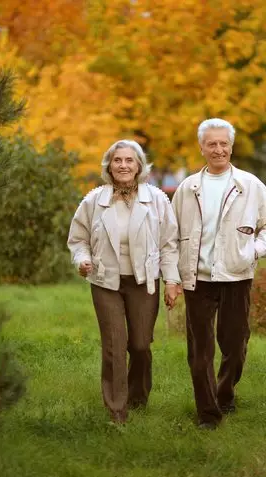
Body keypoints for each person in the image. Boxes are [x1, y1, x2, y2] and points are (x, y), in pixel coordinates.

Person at [171, 118, 266, 429]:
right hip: (198, 279)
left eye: (223, 144)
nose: (218, 149)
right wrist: (173, 275)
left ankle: (225, 392)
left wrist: (254, 251)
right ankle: (208, 414)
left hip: (236, 276)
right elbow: (171, 232)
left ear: (231, 147)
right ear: (202, 148)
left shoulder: (251, 186)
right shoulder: (187, 188)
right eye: (212, 144)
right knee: (200, 350)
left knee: (235, 345)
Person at [67, 140, 181, 424]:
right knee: (114, 345)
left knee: (140, 345)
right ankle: (117, 410)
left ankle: (138, 396)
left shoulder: (157, 199)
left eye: (129, 160)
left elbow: (169, 244)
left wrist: (171, 281)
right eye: (117, 160)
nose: (123, 165)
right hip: (106, 281)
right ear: (109, 165)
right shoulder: (94, 200)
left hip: (144, 282)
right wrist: (82, 260)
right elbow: (78, 240)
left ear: (139, 166)